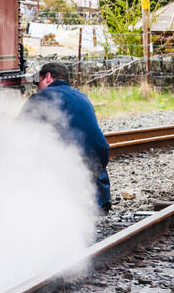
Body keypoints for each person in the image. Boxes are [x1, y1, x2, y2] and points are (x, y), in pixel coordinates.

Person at [20, 62, 112, 212]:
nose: (37, 88)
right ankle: (101, 201)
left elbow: (19, 130)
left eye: (38, 82)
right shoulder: (82, 96)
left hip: (71, 163)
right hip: (99, 159)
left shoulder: (41, 97)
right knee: (86, 147)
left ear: (48, 77)